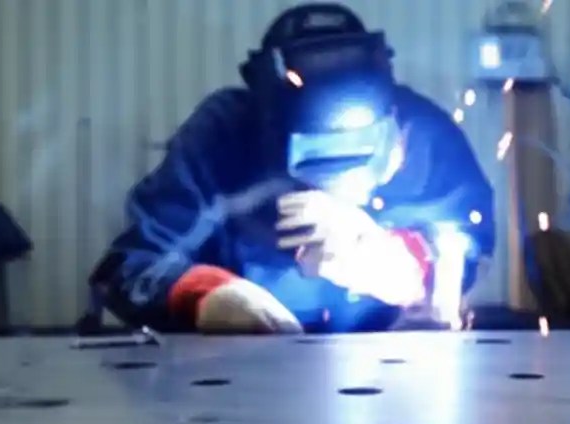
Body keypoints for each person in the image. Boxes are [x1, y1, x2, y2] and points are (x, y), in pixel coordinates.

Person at [88, 4, 493, 334]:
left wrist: (403, 262)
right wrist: (210, 296)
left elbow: (469, 238)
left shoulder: (423, 133)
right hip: (237, 377)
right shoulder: (223, 135)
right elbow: (130, 267)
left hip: (385, 369)